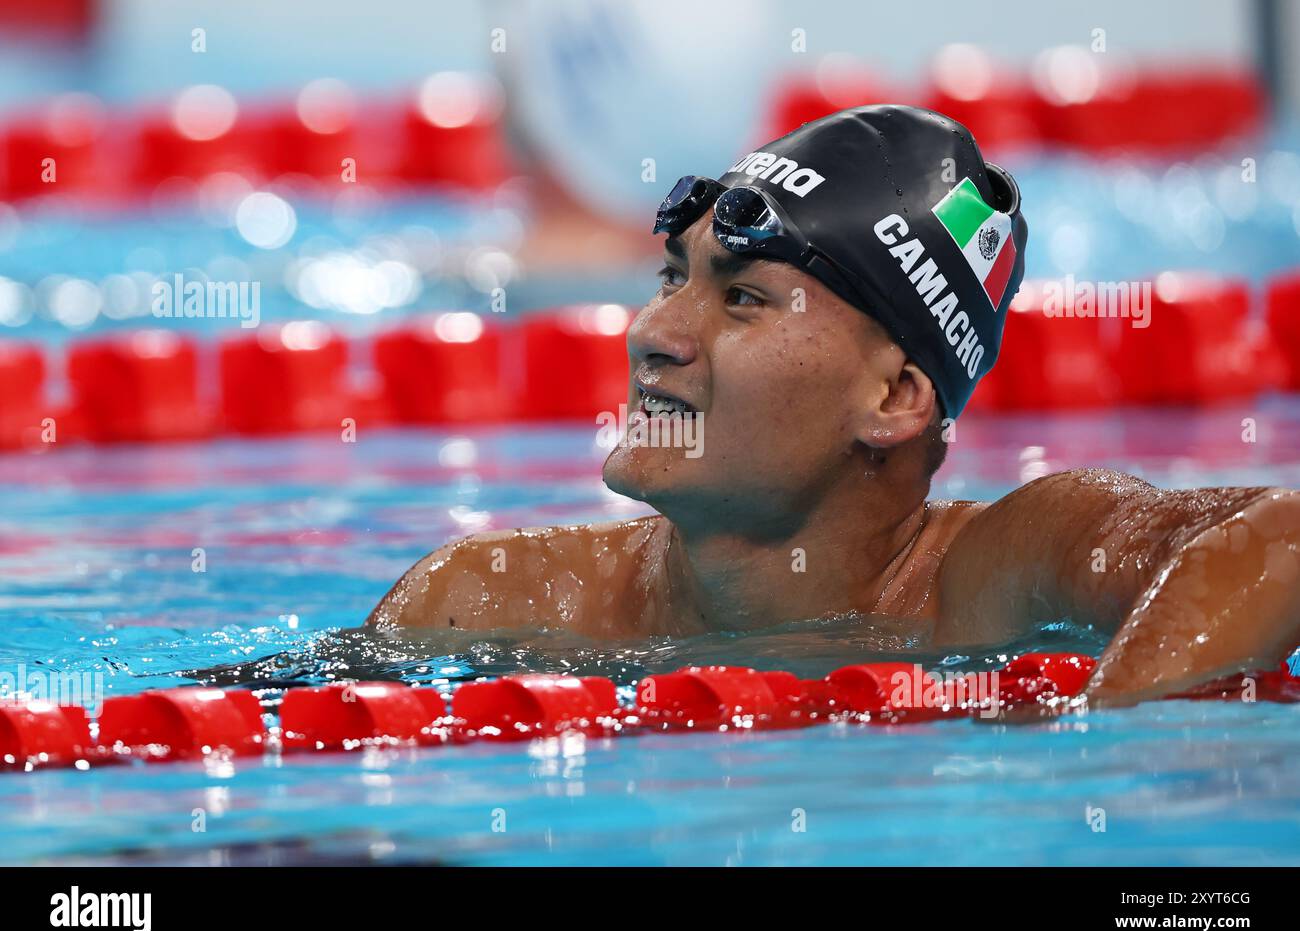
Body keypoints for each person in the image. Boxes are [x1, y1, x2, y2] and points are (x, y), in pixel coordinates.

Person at [368, 105, 1300, 706]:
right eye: (671, 275)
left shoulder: (1001, 572)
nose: (653, 331)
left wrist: (1107, 748)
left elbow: (1284, 534)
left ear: (895, 397)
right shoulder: (485, 599)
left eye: (742, 297)